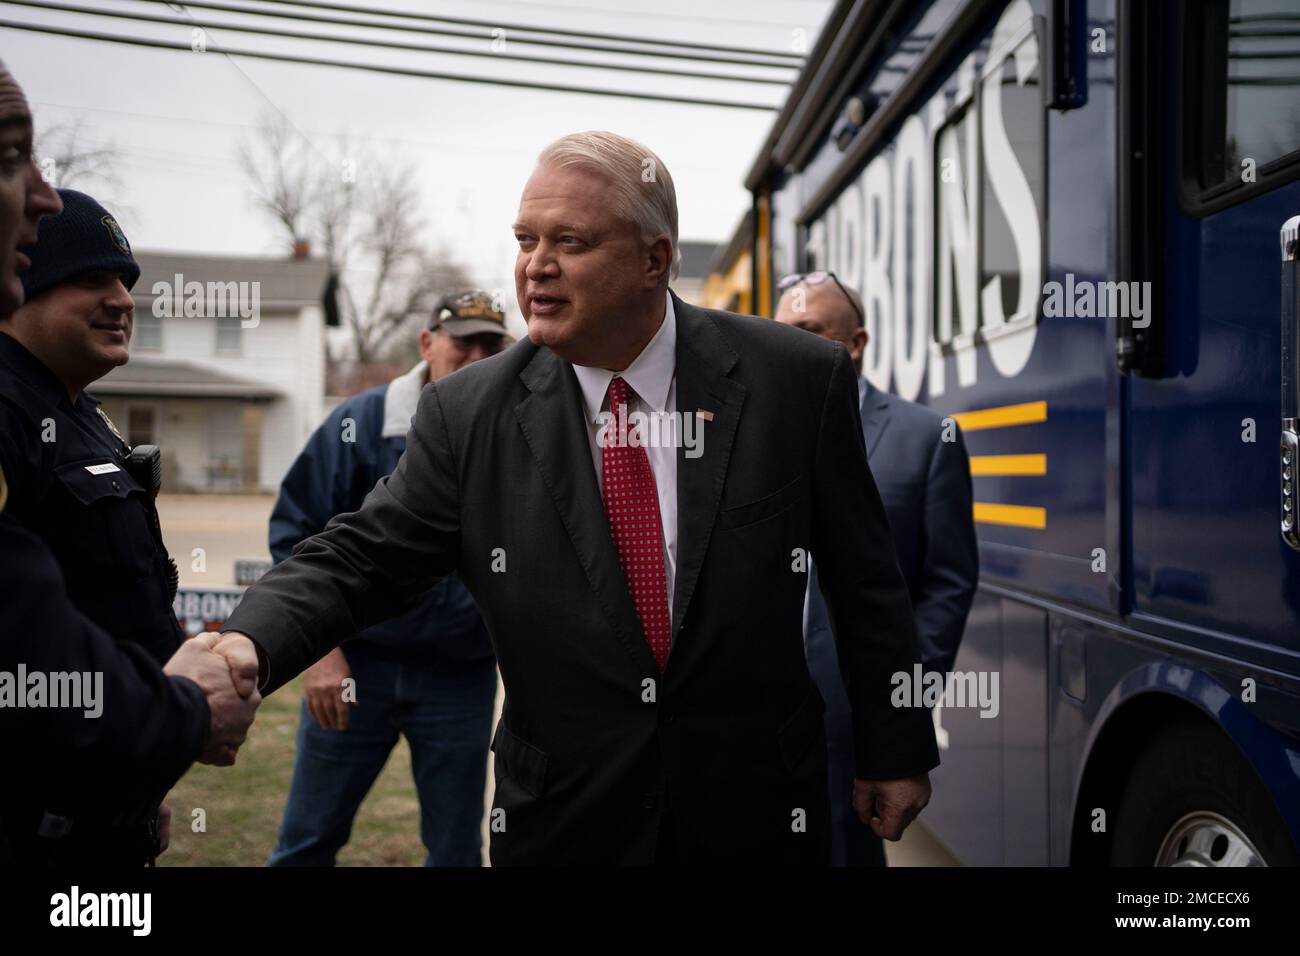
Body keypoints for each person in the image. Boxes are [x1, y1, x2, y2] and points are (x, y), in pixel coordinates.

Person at [220, 130, 939, 865]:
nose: (535, 267)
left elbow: (866, 582)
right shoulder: (469, 415)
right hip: (566, 821)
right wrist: (248, 640)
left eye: (570, 241)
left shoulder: (795, 380)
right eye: (526, 239)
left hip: (754, 811)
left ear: (654, 260)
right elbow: (362, 557)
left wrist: (895, 744)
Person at [0, 60, 259, 866]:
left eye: (127, 280)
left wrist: (146, 780)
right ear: (26, 286)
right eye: (90, 279)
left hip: (109, 804)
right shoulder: (9, 411)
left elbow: (121, 604)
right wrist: (183, 709)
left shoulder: (84, 419)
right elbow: (25, 650)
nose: (121, 299)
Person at [267, 290, 507, 867]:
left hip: (460, 677)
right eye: (462, 341)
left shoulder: (512, 431)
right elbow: (296, 535)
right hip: (358, 669)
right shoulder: (361, 423)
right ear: (427, 344)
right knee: (307, 842)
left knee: (455, 853)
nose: (476, 355)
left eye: (490, 345)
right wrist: (321, 656)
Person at [776, 271, 978, 866]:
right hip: (755, 717)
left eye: (810, 333)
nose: (791, 349)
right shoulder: (749, 436)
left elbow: (948, 583)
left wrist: (899, 704)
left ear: (856, 343)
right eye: (782, 334)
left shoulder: (925, 438)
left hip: (853, 718)